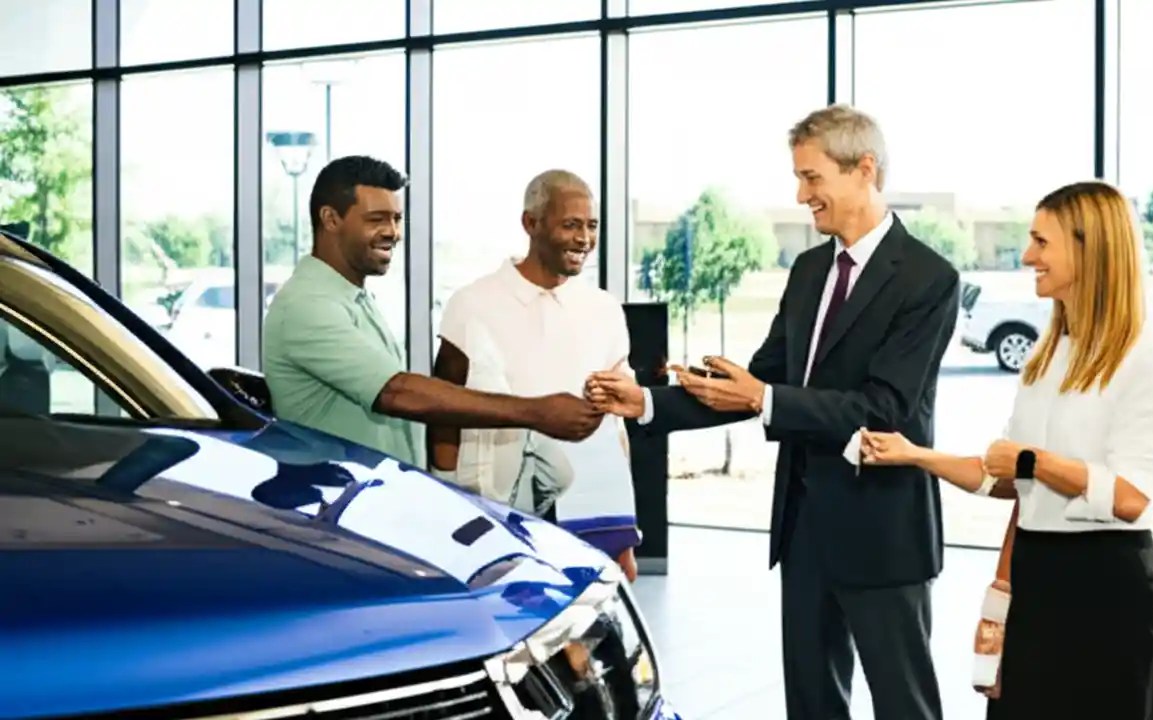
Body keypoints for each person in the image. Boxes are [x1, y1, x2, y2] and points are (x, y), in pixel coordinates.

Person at [588, 104, 956, 719]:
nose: (801, 194)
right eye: (799, 177)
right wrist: (649, 402)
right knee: (811, 704)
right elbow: (761, 380)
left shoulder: (927, 277)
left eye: (813, 178)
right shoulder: (811, 269)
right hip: (804, 527)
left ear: (864, 169)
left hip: (884, 532)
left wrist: (762, 398)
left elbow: (884, 409)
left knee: (904, 706)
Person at [861, 180, 1153, 720]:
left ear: (1089, 247)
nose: (1028, 255)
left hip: (1111, 590)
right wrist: (915, 455)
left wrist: (1033, 463)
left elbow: (1131, 497)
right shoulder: (1047, 353)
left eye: (1041, 241)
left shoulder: (1146, 361)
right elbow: (1009, 480)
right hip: (1039, 574)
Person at [262, 156, 603, 470]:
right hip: (338, 517)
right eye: (376, 219)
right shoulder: (306, 305)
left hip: (374, 504)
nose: (393, 232)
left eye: (396, 219)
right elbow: (397, 392)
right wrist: (536, 412)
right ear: (330, 219)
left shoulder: (353, 298)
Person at [429, 169, 641, 581]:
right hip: (497, 513)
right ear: (531, 224)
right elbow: (443, 412)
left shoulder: (604, 310)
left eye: (591, 226)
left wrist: (623, 532)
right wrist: (449, 509)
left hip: (587, 512)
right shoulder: (472, 304)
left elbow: (615, 431)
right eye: (570, 225)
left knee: (584, 638)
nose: (584, 238)